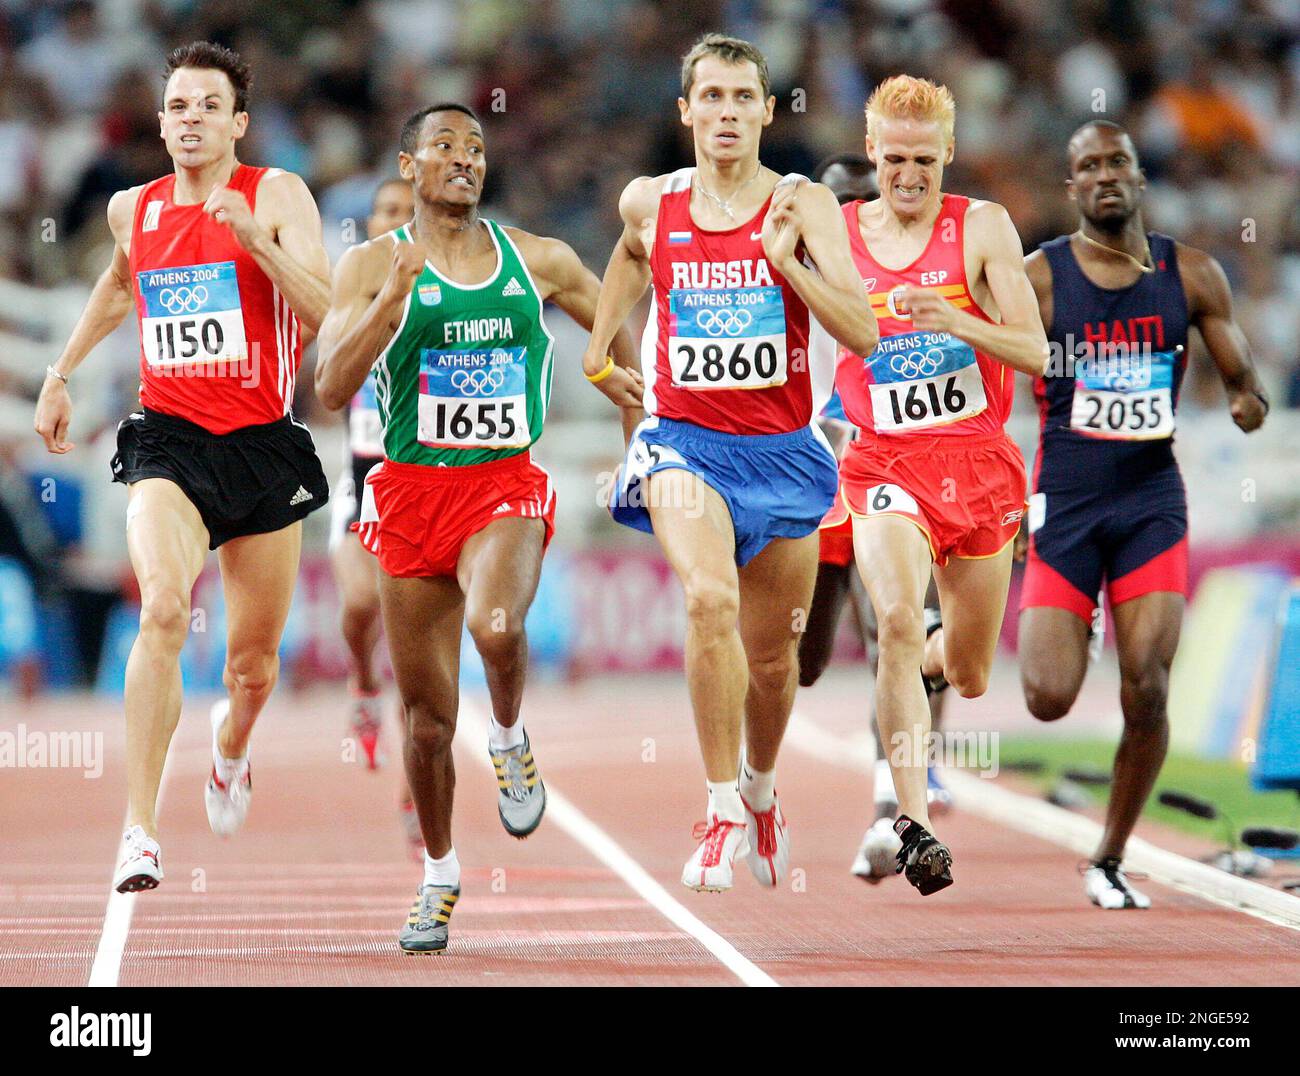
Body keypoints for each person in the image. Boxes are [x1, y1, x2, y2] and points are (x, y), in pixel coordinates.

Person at [315, 103, 642, 953]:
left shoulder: (535, 258)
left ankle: (508, 736)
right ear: (408, 164)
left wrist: (625, 400)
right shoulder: (366, 267)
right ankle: (440, 875)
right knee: (425, 722)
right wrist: (389, 304)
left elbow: (612, 308)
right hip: (410, 495)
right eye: (445, 147)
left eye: (476, 148)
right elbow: (327, 385)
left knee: (497, 626)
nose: (463, 159)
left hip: (504, 484)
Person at [33, 42, 332, 893]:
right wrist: (60, 373)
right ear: (160, 122)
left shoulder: (275, 194)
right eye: (178, 106)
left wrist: (259, 246)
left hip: (263, 446)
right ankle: (139, 830)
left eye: (208, 105)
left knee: (252, 666)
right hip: (166, 440)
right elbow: (120, 286)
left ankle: (231, 745)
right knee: (162, 607)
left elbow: (328, 307)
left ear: (238, 122)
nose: (191, 118)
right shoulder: (136, 208)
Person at [585, 34, 877, 893]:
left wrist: (788, 265)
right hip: (685, 444)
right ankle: (717, 809)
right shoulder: (651, 201)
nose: (725, 112)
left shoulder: (802, 206)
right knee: (708, 599)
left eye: (742, 97)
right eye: (708, 97)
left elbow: (861, 331)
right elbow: (631, 259)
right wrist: (604, 351)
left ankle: (758, 787)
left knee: (776, 660)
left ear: (764, 109)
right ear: (686, 111)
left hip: (782, 454)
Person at [1017, 120, 1268, 909]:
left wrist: (1243, 404)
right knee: (1046, 697)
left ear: (1137, 175)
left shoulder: (1191, 276)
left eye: (1117, 161)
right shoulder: (1040, 278)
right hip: (1065, 502)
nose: (1105, 176)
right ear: (1072, 187)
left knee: (1149, 688)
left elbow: (1245, 380)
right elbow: (989, 365)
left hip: (1151, 502)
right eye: (1087, 165)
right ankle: (1080, 615)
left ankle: (1112, 854)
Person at [825, 74, 1047, 895]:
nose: (909, 175)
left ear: (948, 153)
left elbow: (1034, 352)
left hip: (980, 465)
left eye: (925, 159)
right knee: (889, 617)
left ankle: (921, 649)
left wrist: (956, 319)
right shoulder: (840, 231)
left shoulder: (982, 227)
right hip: (884, 461)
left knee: (969, 671)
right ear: (872, 152)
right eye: (893, 160)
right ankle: (909, 820)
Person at [795, 153, 955, 883]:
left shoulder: (908, 276)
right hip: (802, 487)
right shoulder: (784, 275)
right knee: (800, 662)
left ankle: (891, 802)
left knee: (901, 629)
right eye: (839, 202)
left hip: (883, 479)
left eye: (864, 198)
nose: (854, 213)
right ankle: (749, 772)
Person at [325, 176, 422, 851]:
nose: (395, 226)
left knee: (420, 654)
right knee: (361, 606)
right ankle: (362, 678)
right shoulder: (355, 286)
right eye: (384, 215)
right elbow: (326, 380)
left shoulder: (454, 290)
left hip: (425, 482)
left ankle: (417, 793)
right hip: (363, 481)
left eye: (407, 215)